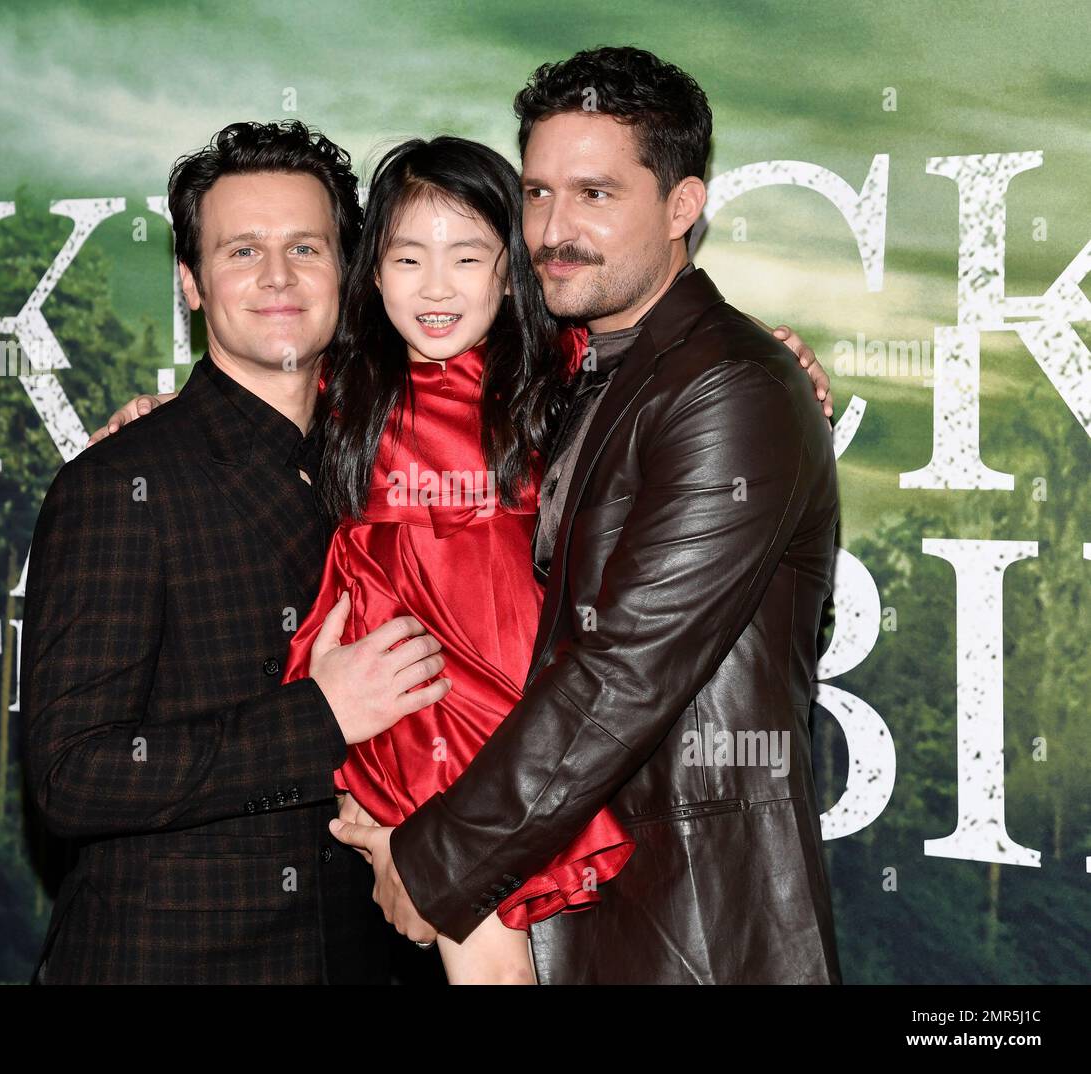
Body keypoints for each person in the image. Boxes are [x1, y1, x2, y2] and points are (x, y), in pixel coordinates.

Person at [331, 46, 845, 985]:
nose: (554, 230)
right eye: (536, 194)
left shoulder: (730, 386)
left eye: (596, 195)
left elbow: (622, 675)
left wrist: (437, 861)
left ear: (683, 207)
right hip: (566, 897)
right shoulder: (567, 368)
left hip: (686, 922)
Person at [20, 120, 449, 984]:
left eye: (305, 246)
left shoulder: (397, 464)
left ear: (347, 271)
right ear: (190, 282)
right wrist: (318, 717)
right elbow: (73, 776)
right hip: (173, 963)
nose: (279, 277)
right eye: (241, 250)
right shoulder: (121, 484)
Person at [279, 135, 637, 985]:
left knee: (504, 958)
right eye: (407, 257)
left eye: (467, 257)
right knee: (485, 958)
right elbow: (232, 408)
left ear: (510, 271)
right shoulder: (344, 386)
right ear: (372, 272)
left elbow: (669, 365)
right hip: (403, 685)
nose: (435, 287)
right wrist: (146, 410)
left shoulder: (553, 371)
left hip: (508, 694)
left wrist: (778, 351)